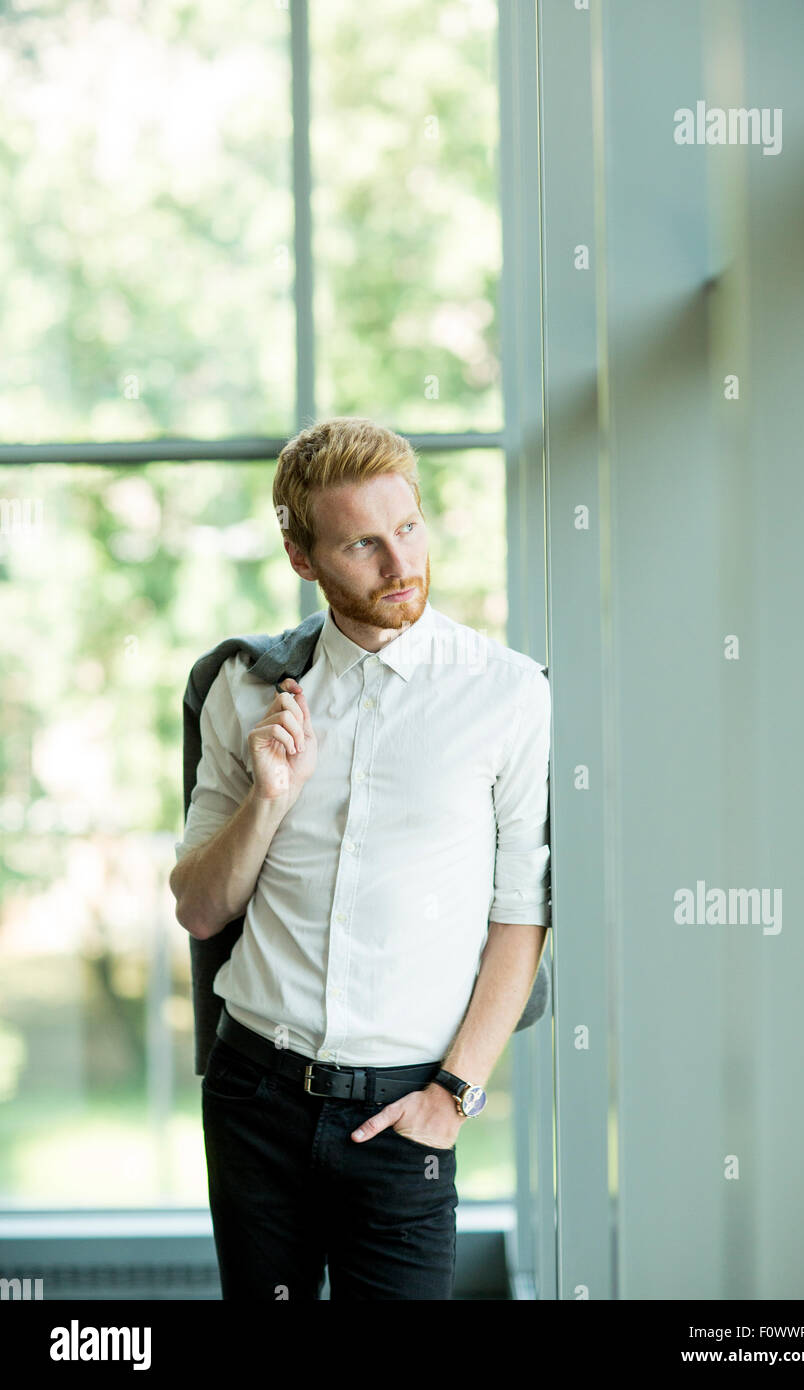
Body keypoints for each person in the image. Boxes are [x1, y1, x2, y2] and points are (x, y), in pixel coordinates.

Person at [169, 416, 551, 1300]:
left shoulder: (509, 695)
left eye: (409, 529)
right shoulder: (243, 690)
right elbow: (198, 907)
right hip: (253, 1095)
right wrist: (268, 796)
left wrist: (452, 1096)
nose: (400, 565)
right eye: (363, 544)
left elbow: (521, 912)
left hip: (404, 1118)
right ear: (303, 559)